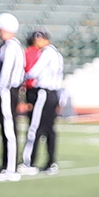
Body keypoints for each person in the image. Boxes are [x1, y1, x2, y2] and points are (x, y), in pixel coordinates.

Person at [0, 15, 25, 180]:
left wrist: (0, 89)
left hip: (7, 90)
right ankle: (6, 165)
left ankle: (10, 168)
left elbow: (7, 71)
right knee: (5, 127)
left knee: (9, 128)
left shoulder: (10, 46)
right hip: (8, 90)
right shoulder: (12, 46)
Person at [19, 29, 63, 174]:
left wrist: (23, 76)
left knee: (35, 127)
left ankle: (29, 161)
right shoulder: (57, 54)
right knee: (49, 130)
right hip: (54, 93)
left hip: (44, 92)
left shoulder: (47, 53)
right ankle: (51, 162)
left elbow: (34, 71)